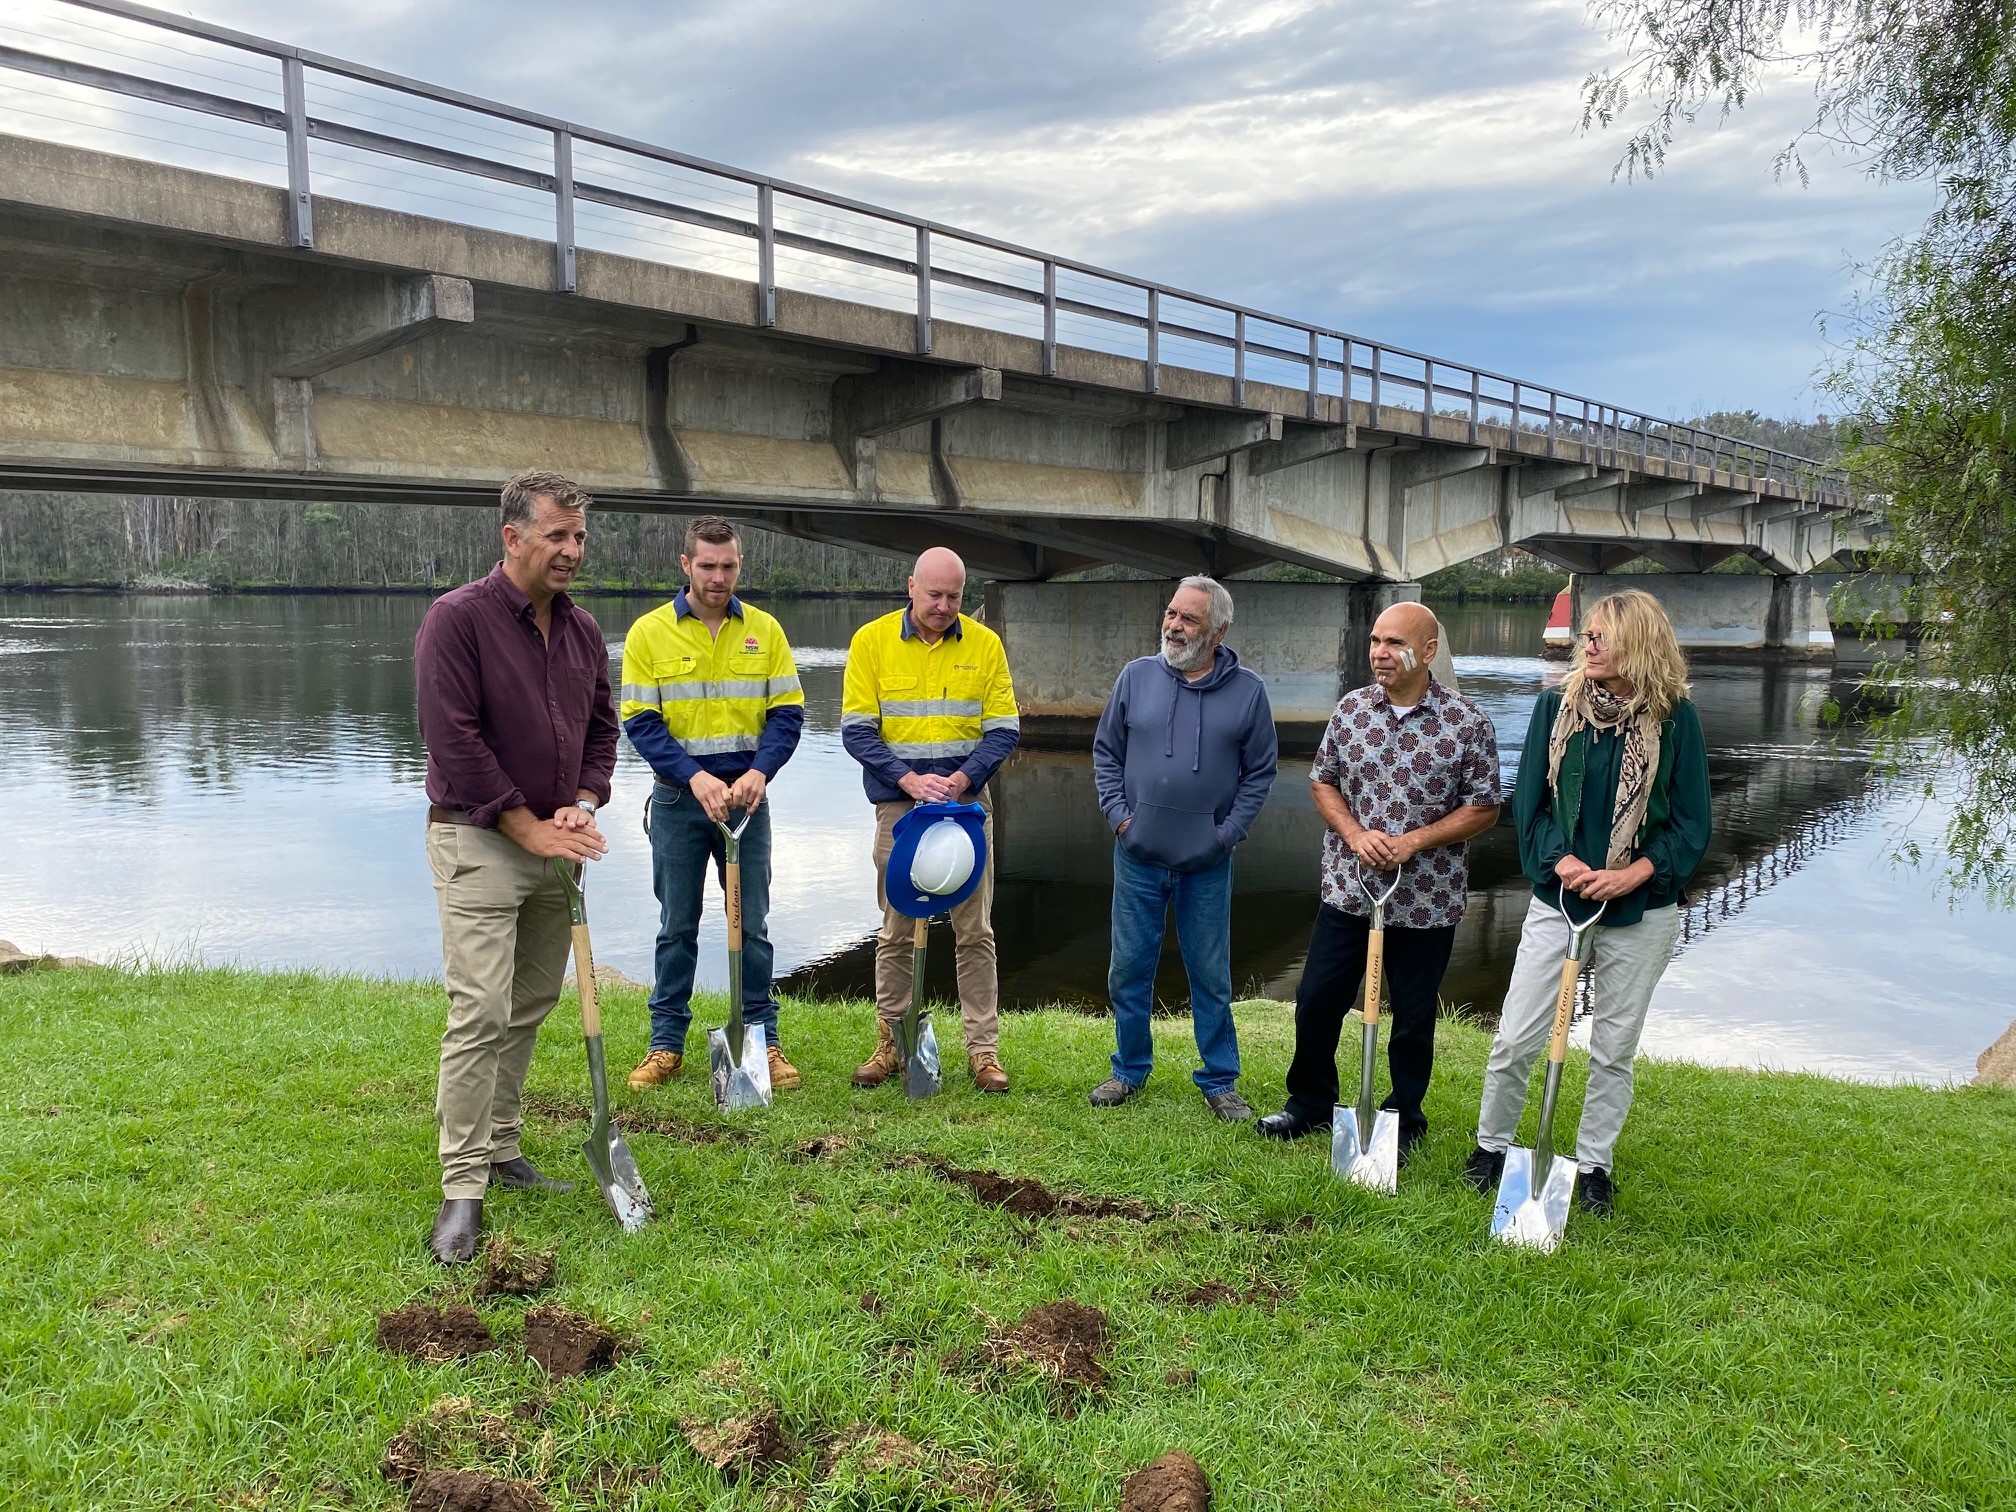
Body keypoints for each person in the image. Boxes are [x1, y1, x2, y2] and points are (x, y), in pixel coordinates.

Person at [414, 470, 617, 1265]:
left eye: (578, 538)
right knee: (480, 1012)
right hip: (479, 843)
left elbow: (601, 730)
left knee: (529, 1004)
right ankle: (461, 1188)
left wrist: (583, 802)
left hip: (556, 846)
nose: (570, 551)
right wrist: (522, 823)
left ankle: (502, 1148)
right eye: (556, 536)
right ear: (513, 538)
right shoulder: (456, 621)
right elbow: (451, 738)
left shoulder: (583, 630)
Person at [1464, 587, 1711, 1217]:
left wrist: (1637, 875)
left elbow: (1691, 824)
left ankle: (1593, 1165)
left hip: (1642, 910)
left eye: (1601, 636)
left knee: (1612, 1048)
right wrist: (1563, 862)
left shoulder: (1677, 720)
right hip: (1560, 899)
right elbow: (1531, 807)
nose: (1587, 644)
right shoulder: (1557, 707)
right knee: (1517, 1034)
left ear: (1638, 643)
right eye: (1588, 635)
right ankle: (1492, 1148)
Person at [1255, 603, 1501, 1162]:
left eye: (1393, 643)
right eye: (1374, 641)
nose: (1379, 653)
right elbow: (1323, 783)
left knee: (1412, 1018)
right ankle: (1310, 1103)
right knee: (1316, 1001)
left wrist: (1414, 841)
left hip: (1427, 900)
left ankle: (1402, 1117)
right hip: (1350, 890)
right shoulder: (1352, 710)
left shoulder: (1467, 722)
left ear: (1428, 651)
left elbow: (1484, 807)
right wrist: (1355, 832)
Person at [619, 515, 805, 1093]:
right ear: (685, 565)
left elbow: (788, 715)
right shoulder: (648, 634)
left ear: (739, 565)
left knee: (751, 926)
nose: (718, 576)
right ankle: (665, 1045)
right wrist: (695, 778)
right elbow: (642, 723)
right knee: (677, 926)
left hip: (748, 804)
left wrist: (760, 771)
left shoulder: (766, 631)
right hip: (680, 802)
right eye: (707, 565)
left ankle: (761, 1041)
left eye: (728, 566)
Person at [1088, 576, 1278, 1121]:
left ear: (1218, 630)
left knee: (1210, 974)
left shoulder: (1249, 692)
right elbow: (1106, 753)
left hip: (1207, 863)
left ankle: (1220, 1080)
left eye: (1188, 619)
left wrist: (1226, 835)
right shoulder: (1135, 677)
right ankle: (1128, 1068)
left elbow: (1261, 772)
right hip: (1138, 853)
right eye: (1171, 613)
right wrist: (1121, 820)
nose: (1173, 625)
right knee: (1128, 967)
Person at [842, 547, 1020, 1093]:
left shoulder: (985, 645)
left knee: (976, 930)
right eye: (934, 595)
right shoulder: (870, 642)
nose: (943, 606)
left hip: (966, 808)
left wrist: (962, 781)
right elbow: (856, 731)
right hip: (900, 808)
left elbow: (1004, 730)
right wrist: (910, 781)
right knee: (896, 929)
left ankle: (983, 1052)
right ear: (910, 587)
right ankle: (890, 1044)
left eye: (954, 597)